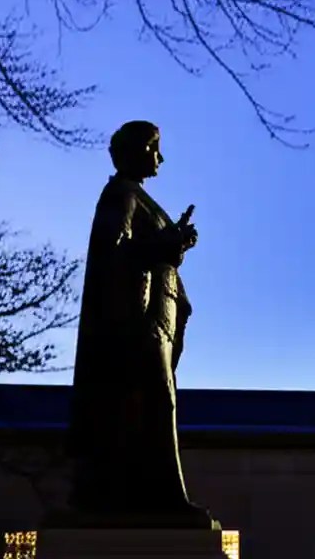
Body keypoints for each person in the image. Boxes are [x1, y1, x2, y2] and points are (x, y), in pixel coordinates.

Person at [65, 120, 209, 525]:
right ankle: (164, 496)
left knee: (153, 404)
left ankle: (154, 493)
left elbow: (143, 252)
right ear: (135, 151)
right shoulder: (122, 195)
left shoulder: (137, 198)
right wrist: (167, 243)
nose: (159, 156)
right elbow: (115, 252)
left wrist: (173, 243)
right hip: (137, 323)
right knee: (156, 403)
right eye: (153, 147)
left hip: (154, 320)